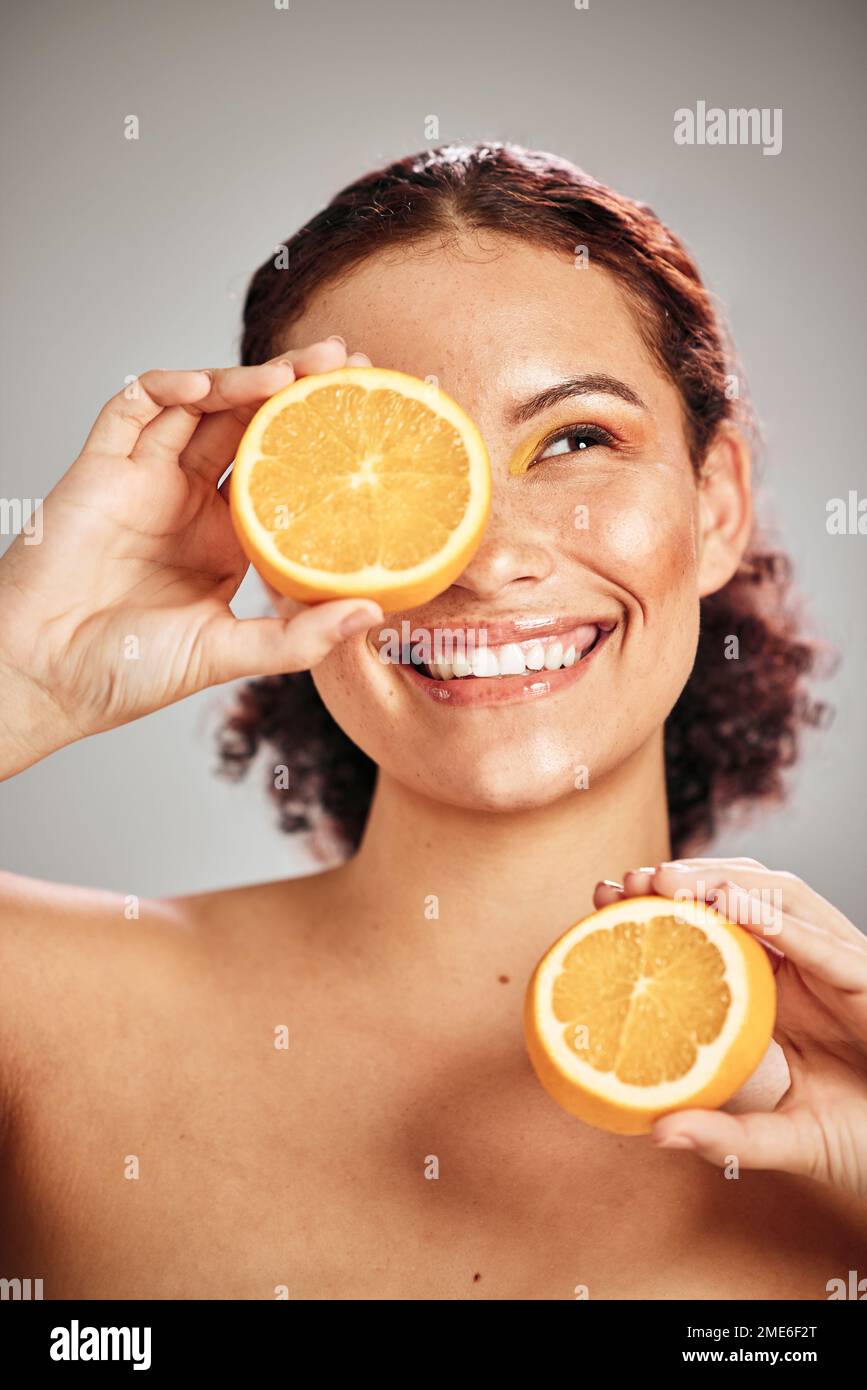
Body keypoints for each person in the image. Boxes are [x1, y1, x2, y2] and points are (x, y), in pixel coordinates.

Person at [1, 143, 865, 1300]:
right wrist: (23, 676)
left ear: (716, 506)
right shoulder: (39, 1009)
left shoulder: (850, 1102)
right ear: (276, 527)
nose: (489, 558)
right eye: (391, 465)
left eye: (574, 441)